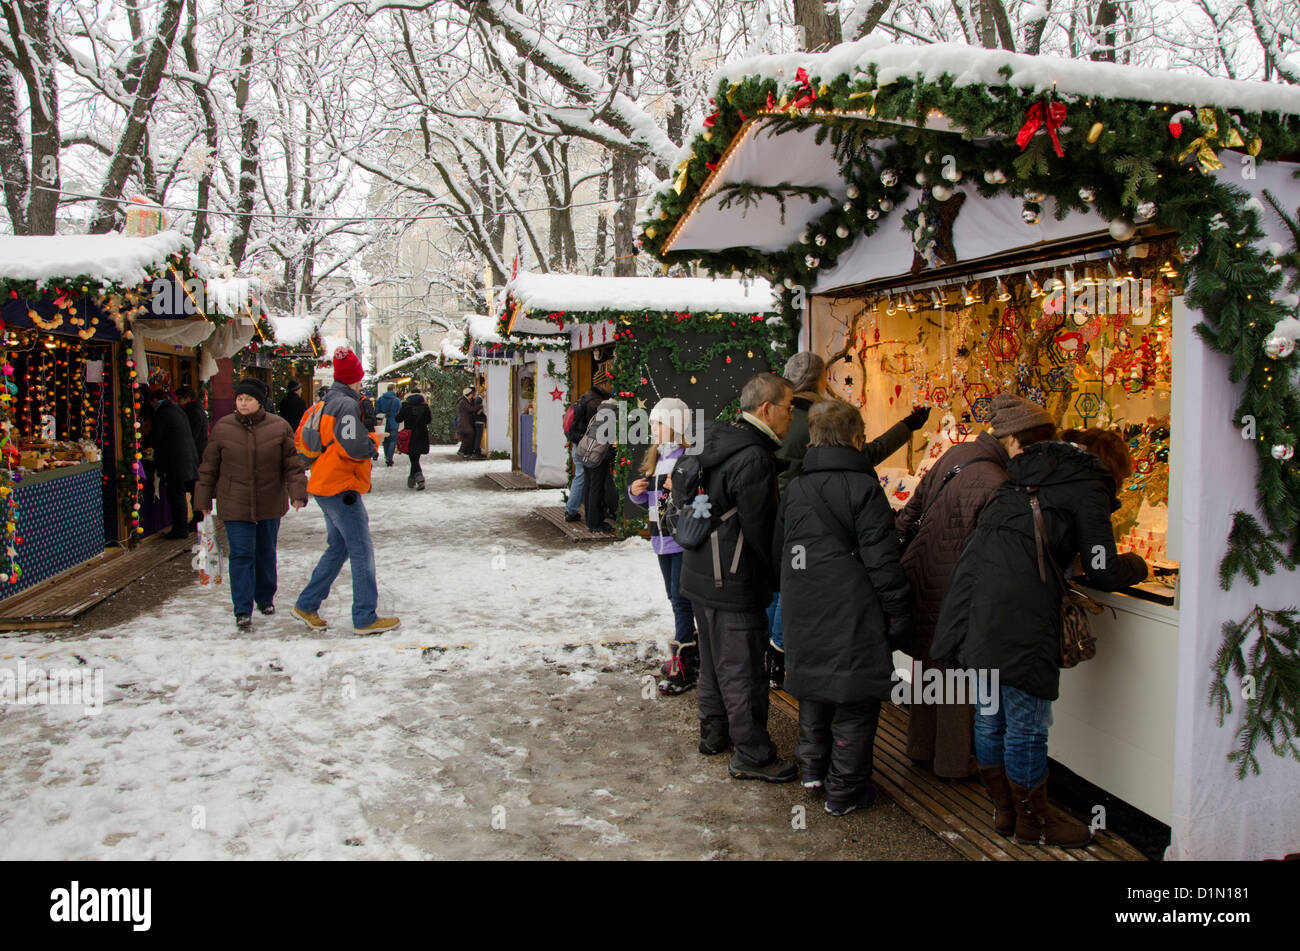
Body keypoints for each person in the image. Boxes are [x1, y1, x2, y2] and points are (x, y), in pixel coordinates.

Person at [931, 425, 1148, 848]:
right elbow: (1103, 566)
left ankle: (1004, 812)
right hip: (1024, 619)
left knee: (991, 717)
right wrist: (1141, 567)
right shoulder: (1089, 488)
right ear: (1111, 467)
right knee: (1028, 726)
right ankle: (1034, 822)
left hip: (980, 611)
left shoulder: (1022, 477)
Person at [894, 393, 1057, 780]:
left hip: (923, 574)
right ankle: (952, 763)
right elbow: (990, 552)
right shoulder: (998, 482)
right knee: (954, 674)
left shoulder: (956, 454)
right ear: (1015, 440)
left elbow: (912, 509)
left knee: (928, 668)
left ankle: (921, 746)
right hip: (955, 589)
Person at [775, 399, 912, 814]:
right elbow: (881, 560)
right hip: (852, 607)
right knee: (854, 696)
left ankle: (813, 770)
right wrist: (899, 608)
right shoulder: (864, 488)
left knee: (815, 688)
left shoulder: (797, 485)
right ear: (856, 439)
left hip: (803, 602)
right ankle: (846, 790)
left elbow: (782, 544)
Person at [765, 351, 931, 687]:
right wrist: (906, 427)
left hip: (783, 511)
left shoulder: (778, 416)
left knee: (785, 579)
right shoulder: (820, 417)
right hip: (813, 513)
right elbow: (862, 456)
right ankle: (781, 655)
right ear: (820, 377)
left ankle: (773, 653)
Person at [680, 373, 797, 783]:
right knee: (744, 670)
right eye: (789, 406)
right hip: (732, 578)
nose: (792, 416)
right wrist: (776, 577)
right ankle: (753, 755)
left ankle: (714, 733)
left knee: (713, 663)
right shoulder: (754, 456)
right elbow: (761, 530)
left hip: (699, 571)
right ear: (767, 409)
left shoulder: (716, 437)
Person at [292, 347, 401, 636]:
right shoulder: (346, 406)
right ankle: (365, 616)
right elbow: (352, 447)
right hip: (341, 487)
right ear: (355, 378)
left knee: (338, 547)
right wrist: (374, 441)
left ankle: (307, 603)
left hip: (325, 484)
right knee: (361, 551)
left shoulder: (326, 401)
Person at [194, 377, 307, 630]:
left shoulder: (279, 427)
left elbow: (293, 464)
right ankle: (242, 608)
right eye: (240, 399)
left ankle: (265, 597)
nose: (243, 404)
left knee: (265, 553)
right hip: (235, 502)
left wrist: (297, 493)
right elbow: (209, 467)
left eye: (249, 399)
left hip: (269, 501)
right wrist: (203, 499)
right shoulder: (223, 428)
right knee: (242, 554)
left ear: (260, 402)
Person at [626, 398, 698, 694]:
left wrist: (678, 487)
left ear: (675, 426)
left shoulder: (687, 457)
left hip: (679, 540)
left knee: (681, 600)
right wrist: (636, 492)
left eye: (657, 423)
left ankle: (684, 665)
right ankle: (692, 651)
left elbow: (696, 497)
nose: (652, 428)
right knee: (673, 597)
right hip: (661, 538)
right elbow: (654, 499)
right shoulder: (658, 456)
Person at [144, 387, 199, 539]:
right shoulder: (177, 410)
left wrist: (144, 440)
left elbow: (156, 437)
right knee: (180, 493)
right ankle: (186, 525)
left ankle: (180, 529)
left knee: (176, 494)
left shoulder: (163, 413)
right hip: (187, 458)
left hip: (176, 460)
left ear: (155, 401)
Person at [563, 373, 611, 522]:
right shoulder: (596, 402)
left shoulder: (586, 396)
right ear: (603, 384)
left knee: (583, 477)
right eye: (610, 383)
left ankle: (573, 510)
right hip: (588, 446)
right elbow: (597, 429)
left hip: (579, 444)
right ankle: (573, 511)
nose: (612, 386)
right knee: (585, 479)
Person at [577, 389, 620, 532]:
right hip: (597, 455)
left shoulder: (600, 411)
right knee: (596, 488)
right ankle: (595, 523)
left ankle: (590, 519)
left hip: (587, 452)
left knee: (589, 486)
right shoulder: (615, 413)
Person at [176, 385, 208, 529]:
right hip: (198, 452)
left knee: (193, 486)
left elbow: (193, 434)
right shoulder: (197, 409)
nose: (178, 402)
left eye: (180, 399)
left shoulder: (192, 412)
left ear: (187, 398)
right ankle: (199, 515)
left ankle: (198, 516)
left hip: (195, 453)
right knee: (195, 486)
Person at [396, 387, 432, 489]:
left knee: (413, 458)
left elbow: (398, 419)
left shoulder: (406, 405)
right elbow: (428, 420)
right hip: (422, 434)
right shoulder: (425, 406)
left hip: (410, 434)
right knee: (416, 457)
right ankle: (411, 478)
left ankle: (419, 477)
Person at [375, 383, 402, 467]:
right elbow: (400, 411)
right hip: (393, 422)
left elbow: (376, 411)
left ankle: (387, 456)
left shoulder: (380, 399)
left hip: (383, 423)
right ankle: (389, 458)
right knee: (393, 441)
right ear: (393, 389)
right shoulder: (397, 400)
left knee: (385, 441)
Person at [455, 387, 481, 458]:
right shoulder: (463, 402)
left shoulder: (464, 400)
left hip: (465, 422)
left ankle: (465, 451)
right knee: (470, 434)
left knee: (468, 435)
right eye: (471, 394)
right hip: (464, 422)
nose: (472, 396)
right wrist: (479, 406)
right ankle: (462, 451)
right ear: (468, 394)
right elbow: (471, 409)